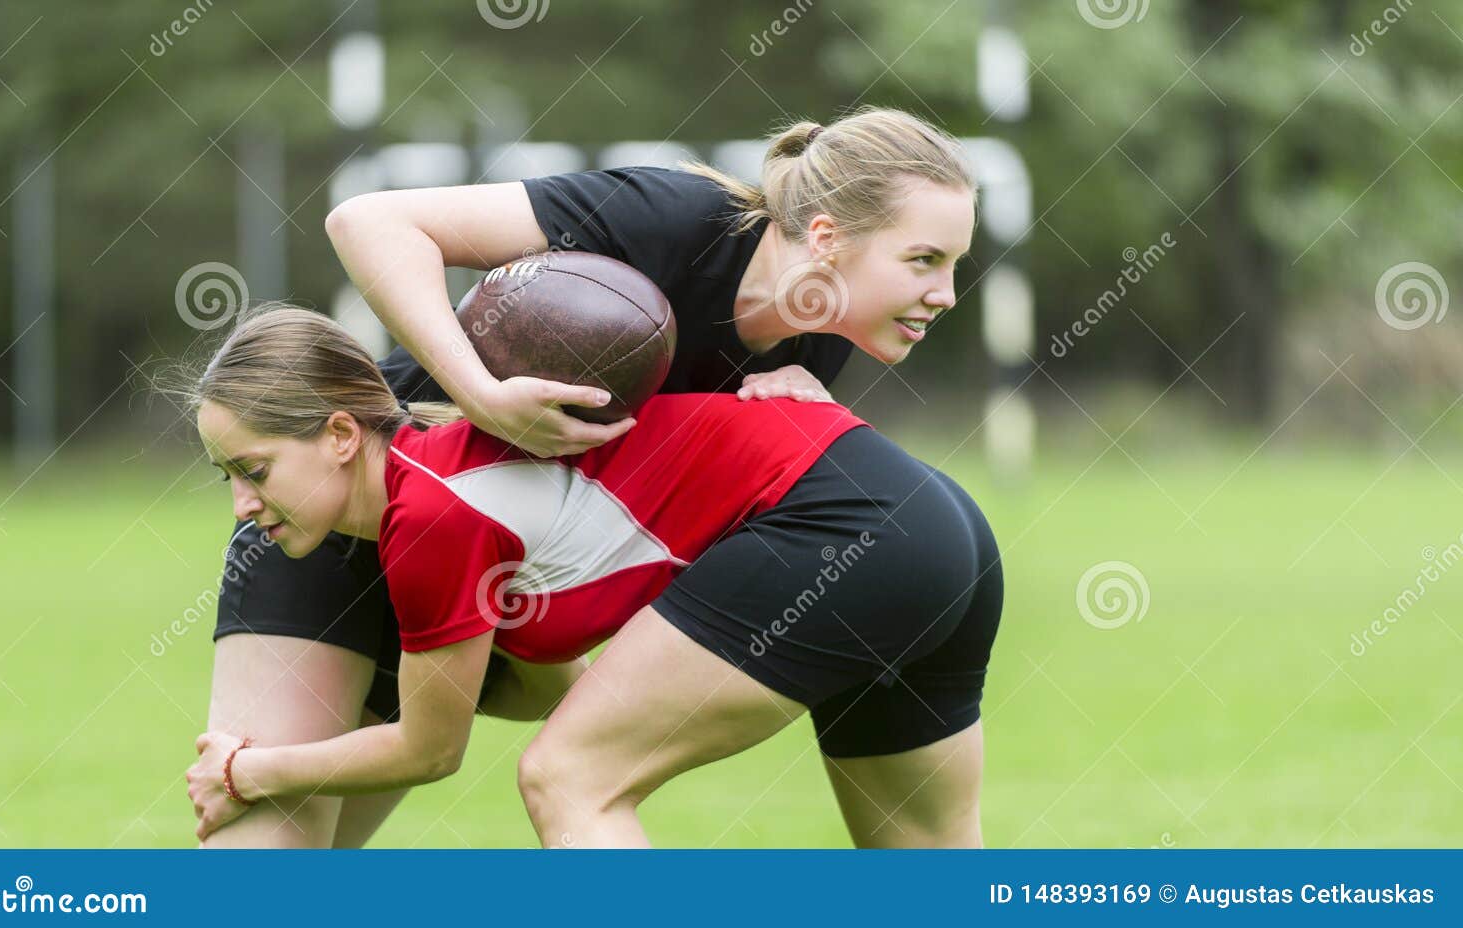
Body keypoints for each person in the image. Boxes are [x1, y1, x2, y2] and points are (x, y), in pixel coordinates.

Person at [201, 106, 978, 847]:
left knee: (557, 770)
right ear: (826, 235)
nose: (946, 294)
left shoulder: (816, 345)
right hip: (343, 520)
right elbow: (368, 220)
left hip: (475, 556)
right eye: (924, 260)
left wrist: (800, 426)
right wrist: (481, 397)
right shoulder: (679, 218)